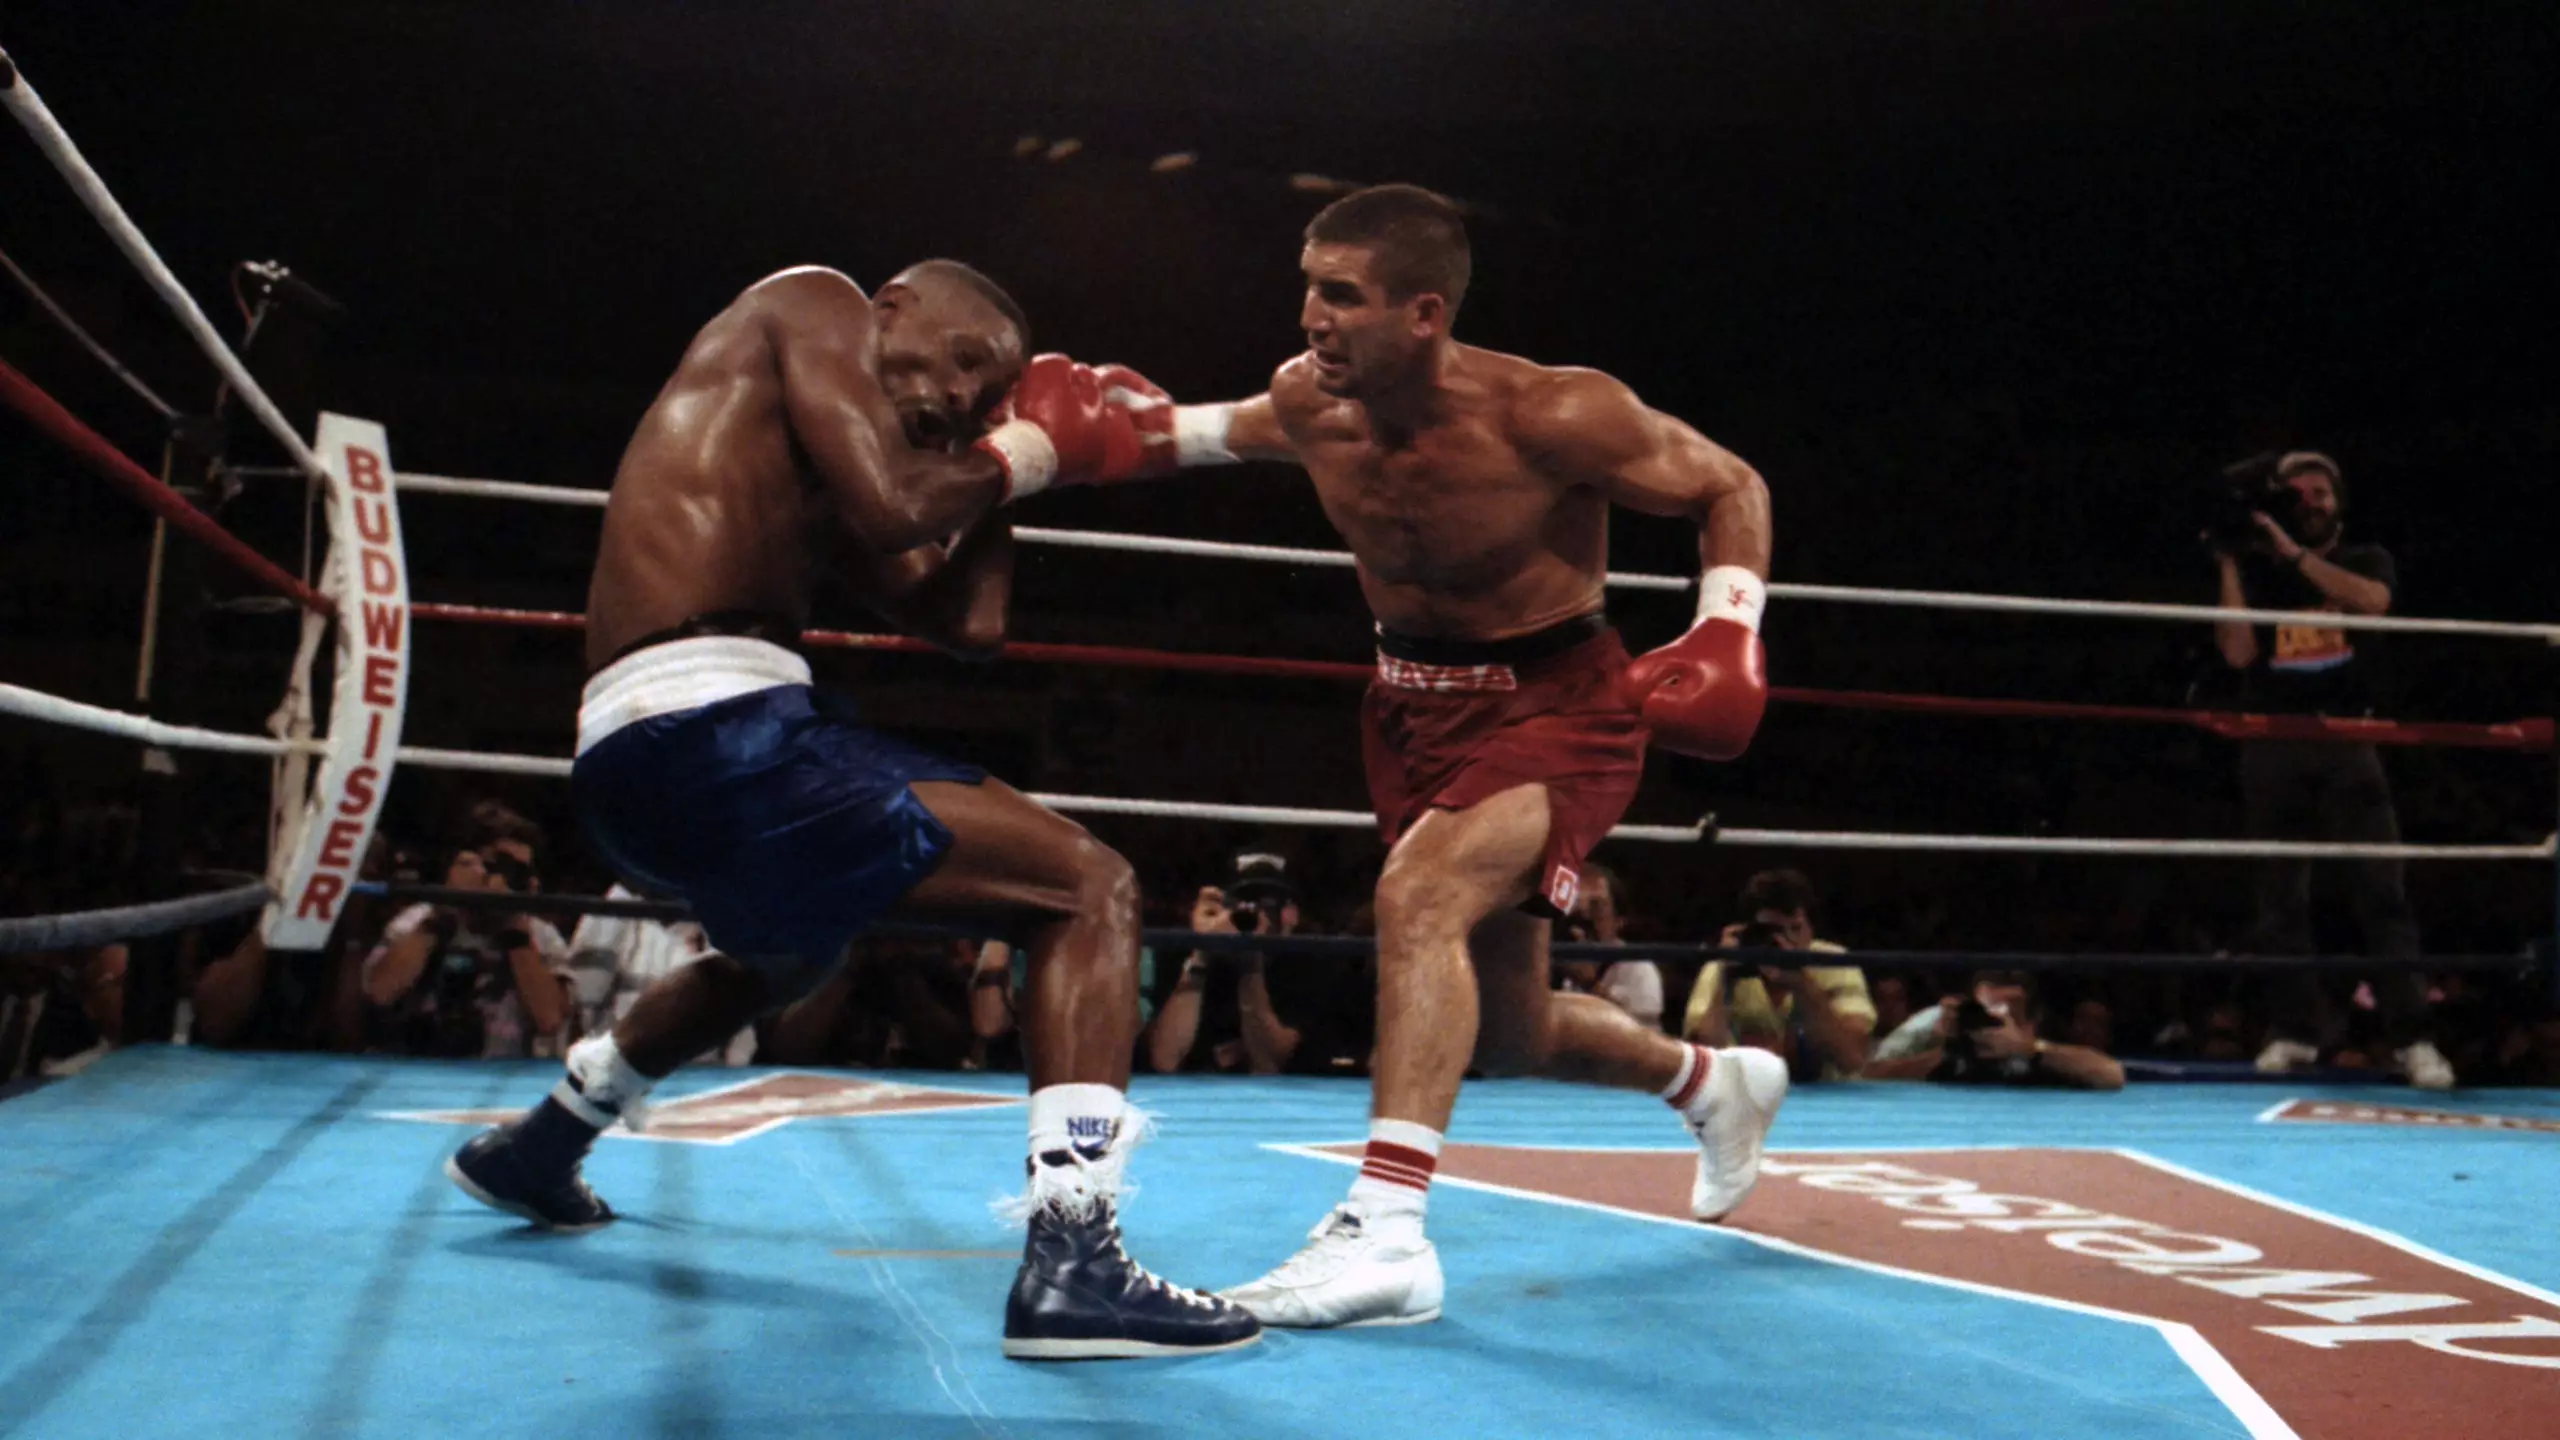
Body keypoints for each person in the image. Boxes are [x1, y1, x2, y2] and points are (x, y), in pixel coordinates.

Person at [441, 263, 1257, 1359]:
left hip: (641, 765)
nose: (966, 395)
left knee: (788, 955)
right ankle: (1076, 1262)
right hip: (714, 728)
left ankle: (538, 1147)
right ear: (895, 305)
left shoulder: (815, 479)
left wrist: (1022, 470)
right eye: (964, 356)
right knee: (1089, 886)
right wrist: (1027, 448)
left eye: (992, 388)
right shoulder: (809, 299)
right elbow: (898, 501)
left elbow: (968, 621)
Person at [1146, 185, 1785, 1327]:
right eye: (1308, 286)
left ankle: (1384, 1237)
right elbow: (1186, 433)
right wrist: (1037, 448)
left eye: (1342, 295)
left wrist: (1727, 626)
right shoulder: (1308, 404)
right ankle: (1710, 1083)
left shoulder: (1552, 413)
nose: (1310, 317)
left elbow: (1728, 483)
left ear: (1424, 313)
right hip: (1409, 710)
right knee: (1509, 1033)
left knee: (1420, 897)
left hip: (1559, 708)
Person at [2206, 450, 2452, 1089]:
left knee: (2382, 891)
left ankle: (2413, 1039)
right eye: (2298, 494)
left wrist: (2292, 556)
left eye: (2319, 493)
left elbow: (2371, 603)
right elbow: (2237, 654)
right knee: (2279, 899)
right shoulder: (2261, 572)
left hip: (2349, 739)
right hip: (2272, 742)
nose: (2309, 502)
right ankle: (2292, 1032)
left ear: (2338, 501)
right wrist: (2232, 562)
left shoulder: (2365, 557)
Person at [1682, 868, 1875, 1080]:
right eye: (1773, 931)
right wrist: (1726, 978)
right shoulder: (1725, 965)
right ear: (1748, 930)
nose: (1785, 942)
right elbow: (1703, 1059)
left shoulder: (1835, 963)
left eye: (1795, 929)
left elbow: (1852, 1059)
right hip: (1747, 1094)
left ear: (1811, 928)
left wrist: (1802, 984)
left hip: (1828, 1101)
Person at [1864, 970, 2125, 1090]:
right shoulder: (1940, 1029)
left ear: (2031, 1018)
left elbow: (2112, 1074)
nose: (1993, 1018)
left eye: (2004, 1009)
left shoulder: (2040, 1050)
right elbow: (1866, 1074)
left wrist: (2028, 1049)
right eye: (1987, 1010)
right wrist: (1945, 1053)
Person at [1553, 864, 1663, 1031]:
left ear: (1619, 920)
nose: (1585, 915)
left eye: (1596, 906)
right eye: (1575, 906)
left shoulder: (1639, 968)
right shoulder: (1571, 967)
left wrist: (1590, 983)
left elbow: (1639, 1034)